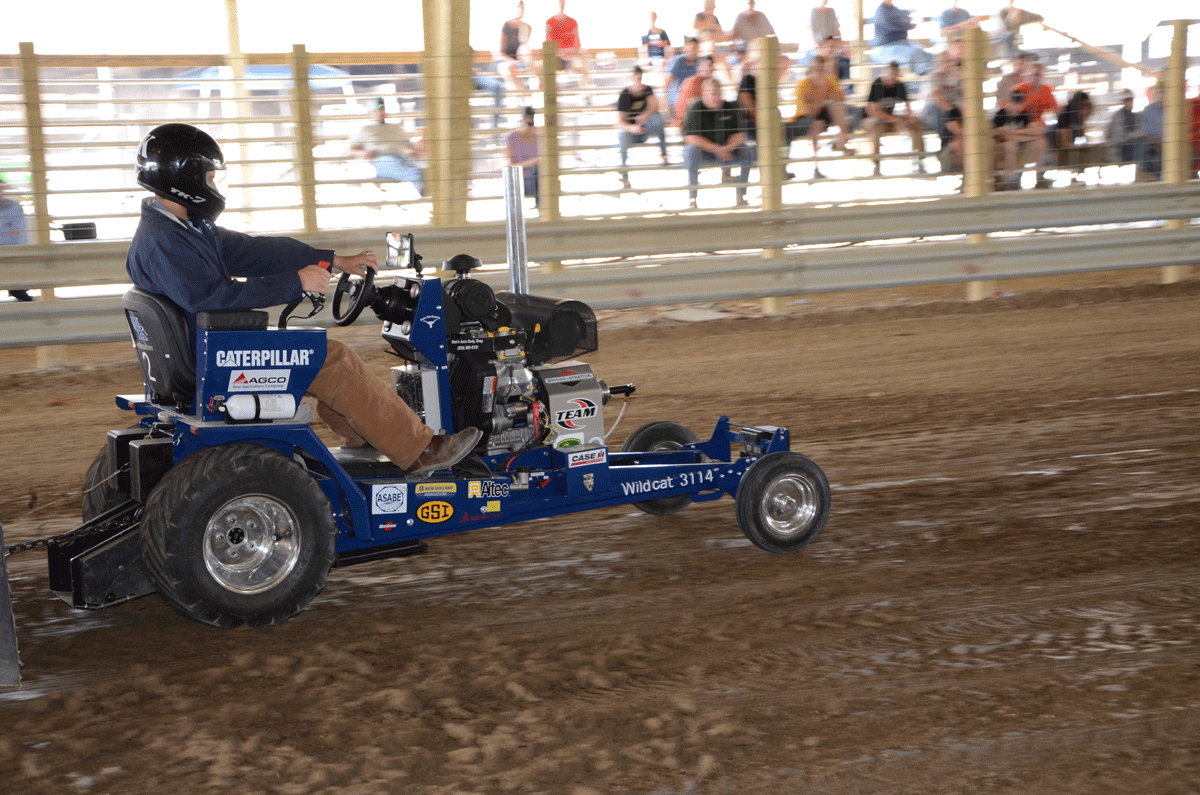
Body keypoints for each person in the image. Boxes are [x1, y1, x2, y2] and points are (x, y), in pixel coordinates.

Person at [126, 123, 480, 477]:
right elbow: (213, 299)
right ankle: (419, 449)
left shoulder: (182, 228)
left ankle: (369, 439)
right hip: (216, 355)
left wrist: (333, 262)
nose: (214, 186)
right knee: (332, 359)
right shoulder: (166, 240)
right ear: (185, 179)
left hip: (211, 347)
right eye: (209, 178)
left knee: (322, 357)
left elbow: (257, 251)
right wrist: (296, 283)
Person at [682, 77, 753, 208]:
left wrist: (727, 148)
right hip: (705, 152)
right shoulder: (696, 108)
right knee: (690, 151)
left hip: (728, 151)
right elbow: (690, 137)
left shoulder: (731, 107)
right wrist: (716, 149)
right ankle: (693, 198)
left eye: (718, 93)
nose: (716, 97)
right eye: (713, 93)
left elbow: (740, 134)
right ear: (703, 94)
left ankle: (740, 195)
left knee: (747, 151)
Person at [786, 55, 851, 178]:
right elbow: (809, 112)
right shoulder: (803, 85)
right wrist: (823, 91)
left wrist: (826, 94)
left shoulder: (829, 79)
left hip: (821, 112)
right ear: (812, 70)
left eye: (824, 70)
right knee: (817, 124)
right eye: (819, 70)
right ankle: (816, 166)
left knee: (837, 107)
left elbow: (841, 99)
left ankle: (842, 143)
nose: (822, 73)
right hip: (803, 118)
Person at [349, 98, 425, 197]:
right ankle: (425, 194)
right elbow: (352, 150)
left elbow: (409, 146)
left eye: (382, 109)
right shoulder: (365, 129)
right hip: (382, 160)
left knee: (420, 170)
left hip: (401, 157)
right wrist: (363, 153)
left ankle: (424, 193)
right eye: (377, 110)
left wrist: (416, 149)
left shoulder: (395, 127)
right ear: (371, 112)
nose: (381, 112)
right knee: (415, 173)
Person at [863, 61, 927, 176]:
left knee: (916, 124)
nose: (893, 77)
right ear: (885, 73)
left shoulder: (899, 85)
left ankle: (920, 162)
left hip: (889, 119)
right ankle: (876, 165)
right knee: (876, 125)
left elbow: (908, 107)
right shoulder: (878, 84)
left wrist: (907, 119)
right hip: (871, 120)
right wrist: (896, 119)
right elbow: (874, 112)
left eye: (895, 74)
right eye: (891, 73)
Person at [616, 65, 669, 189]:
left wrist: (645, 115)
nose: (638, 81)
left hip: (646, 129)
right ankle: (625, 175)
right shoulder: (625, 94)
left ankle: (664, 155)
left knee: (659, 119)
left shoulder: (647, 90)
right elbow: (619, 122)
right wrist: (632, 128)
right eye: (636, 78)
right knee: (622, 135)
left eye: (640, 78)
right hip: (632, 132)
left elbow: (655, 105)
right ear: (633, 78)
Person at [992, 87, 1046, 190]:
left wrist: (1014, 132)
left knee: (1041, 141)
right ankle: (1011, 176)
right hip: (1003, 146)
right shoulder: (1001, 114)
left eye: (1019, 104)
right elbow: (1005, 136)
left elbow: (1036, 131)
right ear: (1009, 102)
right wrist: (1025, 135)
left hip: (1020, 144)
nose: (1017, 108)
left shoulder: (1023, 114)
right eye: (1015, 104)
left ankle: (1038, 174)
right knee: (1010, 144)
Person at [1014, 61, 1057, 187]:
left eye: (1038, 75)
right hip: (1021, 125)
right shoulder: (1019, 90)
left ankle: (1039, 175)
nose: (1036, 78)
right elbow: (1013, 112)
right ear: (1028, 75)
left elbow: (1055, 109)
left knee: (1042, 139)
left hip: (1037, 128)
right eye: (1033, 74)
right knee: (1039, 135)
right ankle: (1021, 176)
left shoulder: (1046, 90)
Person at [868, 0, 934, 76]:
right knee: (914, 53)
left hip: (903, 42)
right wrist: (910, 26)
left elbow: (900, 13)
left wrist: (909, 11)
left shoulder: (893, 8)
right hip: (889, 44)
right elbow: (893, 25)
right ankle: (923, 75)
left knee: (924, 52)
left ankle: (929, 75)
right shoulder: (881, 11)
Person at [545, 0, 593, 90]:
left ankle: (586, 89)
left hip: (571, 54)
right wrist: (560, 52)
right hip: (557, 56)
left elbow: (577, 43)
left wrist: (570, 52)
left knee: (582, 59)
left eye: (563, 3)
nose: (561, 6)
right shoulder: (550, 22)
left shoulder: (572, 22)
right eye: (559, 3)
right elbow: (548, 44)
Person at [1, 176, 32, 302]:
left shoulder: (14, 206)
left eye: (1, 188)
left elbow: (18, 234)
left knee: (21, 292)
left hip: (14, 256)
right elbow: (10, 233)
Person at [1105, 89, 1148, 176]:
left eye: (1130, 100)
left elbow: (1141, 130)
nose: (1129, 102)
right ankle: (1138, 168)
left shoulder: (1136, 115)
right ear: (1123, 102)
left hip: (1132, 147)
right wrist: (1133, 135)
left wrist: (1135, 136)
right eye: (1127, 100)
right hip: (1120, 148)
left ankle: (1140, 169)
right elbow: (1117, 138)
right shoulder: (1117, 117)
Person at [497, 2, 533, 103]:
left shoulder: (527, 27)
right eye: (520, 7)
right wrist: (512, 62)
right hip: (506, 61)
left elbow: (524, 45)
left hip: (521, 63)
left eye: (523, 8)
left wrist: (523, 27)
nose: (522, 10)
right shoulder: (506, 26)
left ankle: (522, 100)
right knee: (511, 69)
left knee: (516, 70)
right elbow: (501, 52)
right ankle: (522, 99)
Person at [507, 106, 541, 208]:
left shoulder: (539, 138)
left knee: (540, 172)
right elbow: (510, 166)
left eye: (532, 124)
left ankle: (542, 208)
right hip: (521, 180)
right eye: (528, 124)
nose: (530, 127)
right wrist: (530, 163)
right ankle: (541, 207)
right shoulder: (512, 138)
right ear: (521, 122)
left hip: (537, 178)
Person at [666, 38, 701, 112]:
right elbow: (668, 81)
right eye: (692, 49)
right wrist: (667, 102)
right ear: (685, 49)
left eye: (696, 49)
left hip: (695, 95)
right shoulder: (679, 61)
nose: (694, 52)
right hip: (681, 95)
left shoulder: (700, 62)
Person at [1141, 82, 1163, 180]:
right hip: (1156, 147)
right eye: (1162, 91)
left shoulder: (1179, 108)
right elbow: (1149, 135)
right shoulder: (1149, 110)